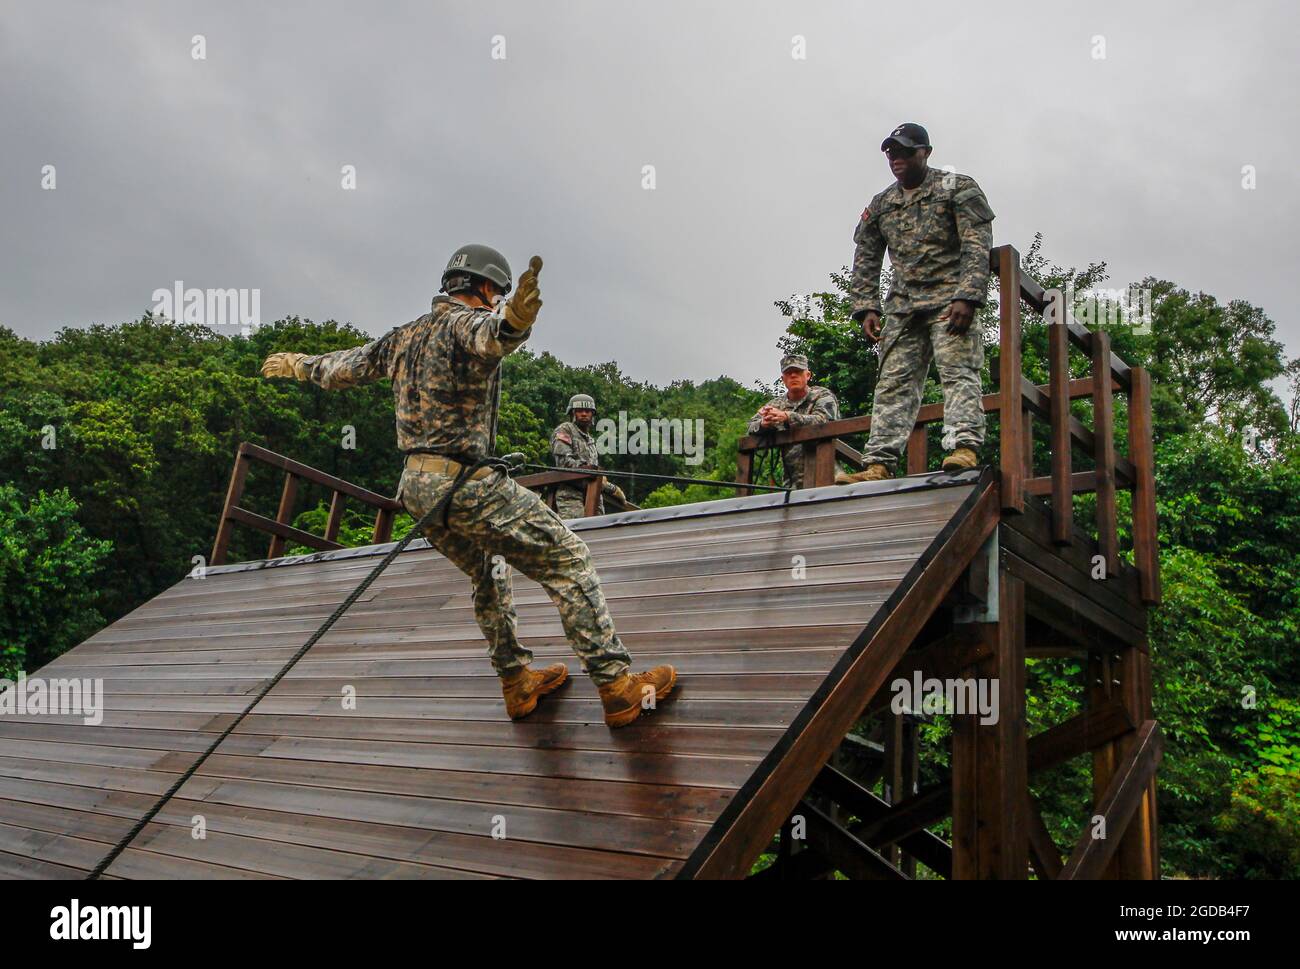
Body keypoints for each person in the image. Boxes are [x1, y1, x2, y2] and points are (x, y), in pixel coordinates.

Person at [259, 244, 674, 728]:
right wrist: (517, 318)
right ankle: (617, 687)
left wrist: (297, 363)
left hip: (416, 486)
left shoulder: (403, 337)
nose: (498, 300)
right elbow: (492, 336)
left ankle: (517, 683)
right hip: (465, 484)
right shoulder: (463, 323)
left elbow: (342, 368)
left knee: (489, 572)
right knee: (569, 558)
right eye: (496, 292)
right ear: (481, 288)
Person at [837, 122, 995, 484]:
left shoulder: (957, 188)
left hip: (949, 300)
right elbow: (866, 254)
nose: (897, 159)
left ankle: (964, 447)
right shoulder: (883, 204)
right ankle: (878, 463)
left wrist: (967, 295)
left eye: (906, 151)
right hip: (903, 306)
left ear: (925, 152)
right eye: (892, 152)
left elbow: (976, 242)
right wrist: (867, 306)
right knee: (893, 383)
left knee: (958, 372)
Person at [746, 354, 840, 489]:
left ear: (808, 375)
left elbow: (825, 421)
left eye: (798, 372)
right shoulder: (776, 404)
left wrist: (788, 417)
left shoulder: (822, 395)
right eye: (789, 373)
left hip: (827, 474)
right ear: (783, 379)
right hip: (792, 481)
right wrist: (764, 424)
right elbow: (750, 426)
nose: (793, 376)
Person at [549, 394, 626, 518]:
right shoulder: (565, 430)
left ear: (592, 415)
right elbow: (565, 463)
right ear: (572, 413)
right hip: (570, 495)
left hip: (594, 495)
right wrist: (608, 487)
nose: (584, 414)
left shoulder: (590, 440)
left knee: (600, 532)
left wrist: (606, 486)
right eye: (579, 411)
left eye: (588, 411)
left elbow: (594, 470)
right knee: (576, 531)